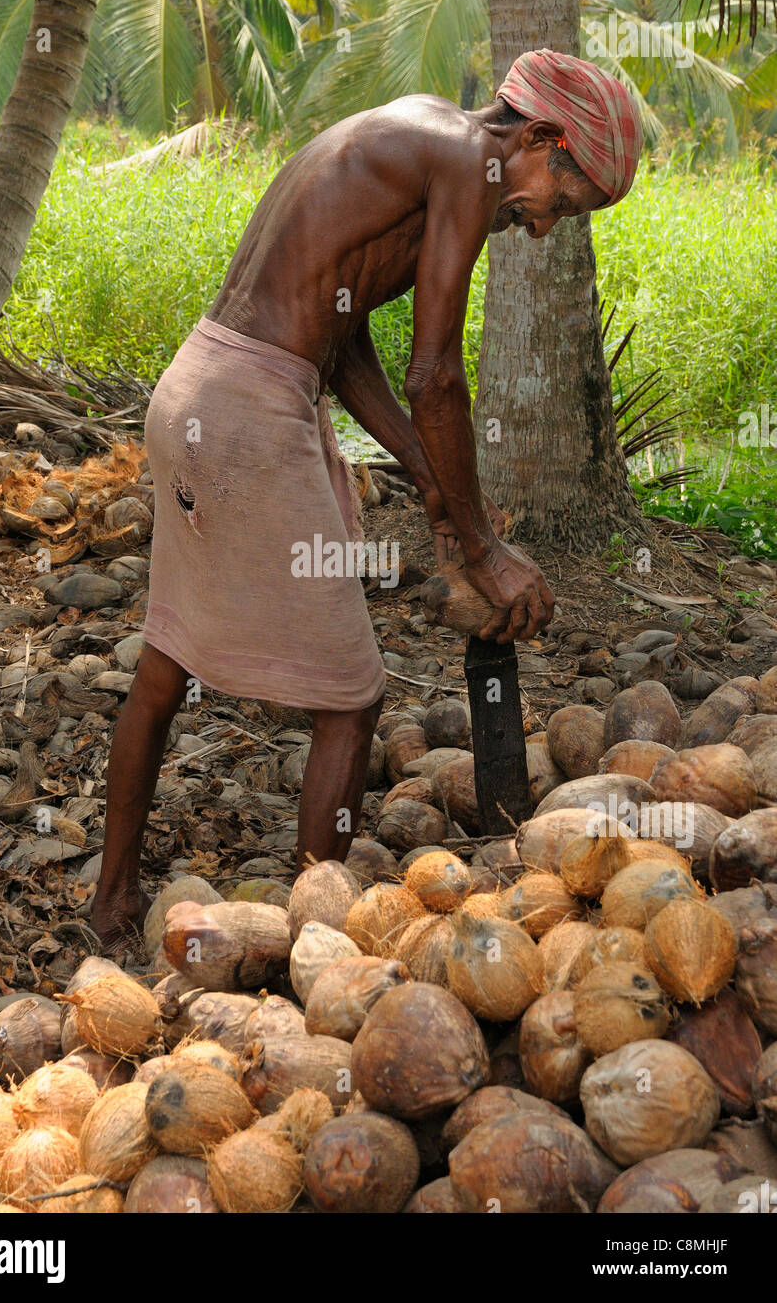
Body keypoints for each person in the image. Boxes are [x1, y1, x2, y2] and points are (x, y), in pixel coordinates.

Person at [91, 49, 643, 951]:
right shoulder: (471, 161)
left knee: (163, 665)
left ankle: (111, 906)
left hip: (201, 385)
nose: (545, 227)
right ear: (540, 140)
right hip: (248, 410)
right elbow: (436, 375)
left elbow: (342, 344)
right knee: (351, 699)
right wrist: (483, 549)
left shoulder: (418, 132)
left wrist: (429, 480)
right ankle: (327, 953)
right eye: (566, 202)